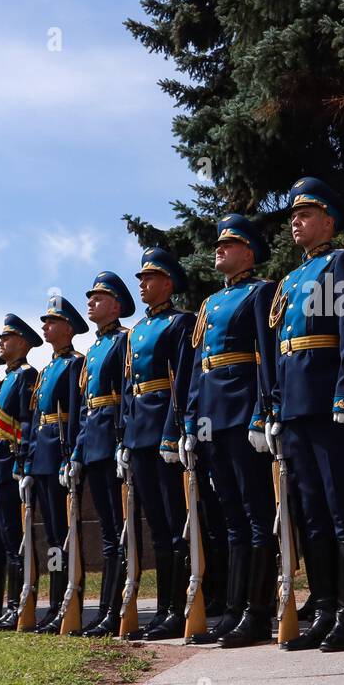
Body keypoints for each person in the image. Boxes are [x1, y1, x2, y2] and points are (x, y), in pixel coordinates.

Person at [266, 179, 344, 652]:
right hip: (296, 406)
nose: (296, 221)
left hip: (330, 403)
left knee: (343, 510)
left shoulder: (342, 262)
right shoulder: (288, 280)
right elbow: (278, 350)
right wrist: (275, 409)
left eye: (306, 214)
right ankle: (324, 608)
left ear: (328, 221)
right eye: (293, 216)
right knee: (313, 515)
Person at [181, 215, 278, 646]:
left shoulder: (261, 293)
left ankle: (258, 612)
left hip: (243, 415)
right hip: (212, 420)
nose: (219, 249)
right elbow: (196, 370)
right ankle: (234, 609)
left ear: (249, 253)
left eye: (230, 243)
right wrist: (189, 421)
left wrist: (262, 413)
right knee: (232, 518)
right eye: (219, 243)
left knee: (258, 517)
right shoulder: (208, 305)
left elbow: (266, 358)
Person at [121, 248, 195, 640]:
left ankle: (180, 605)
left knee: (173, 524)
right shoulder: (135, 331)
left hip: (164, 431)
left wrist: (173, 432)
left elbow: (181, 382)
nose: (143, 285)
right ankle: (163, 606)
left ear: (168, 283)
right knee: (155, 526)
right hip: (138, 435)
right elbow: (128, 389)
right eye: (141, 279)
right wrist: (123, 438)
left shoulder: (181, 324)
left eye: (149, 278)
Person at [67, 273, 134, 638]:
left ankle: (120, 607)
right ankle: (107, 608)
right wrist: (77, 451)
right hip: (93, 441)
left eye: (98, 298)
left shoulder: (125, 341)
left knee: (122, 530)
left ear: (117, 305)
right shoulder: (93, 350)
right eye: (89, 298)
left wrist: (123, 439)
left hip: (113, 436)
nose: (90, 302)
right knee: (108, 531)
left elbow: (128, 392)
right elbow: (82, 409)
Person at [27, 296, 86, 633]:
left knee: (66, 534)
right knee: (52, 537)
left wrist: (72, 456)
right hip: (43, 457)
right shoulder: (47, 369)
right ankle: (55, 604)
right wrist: (28, 463)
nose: (45, 327)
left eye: (51, 322)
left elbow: (77, 413)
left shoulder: (75, 364)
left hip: (62, 454)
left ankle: (71, 600)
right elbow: (36, 417)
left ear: (67, 328)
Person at [0, 314, 41, 630]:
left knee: (18, 540)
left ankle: (22, 603)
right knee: (8, 541)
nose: (1, 344)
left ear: (21, 342)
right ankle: (12, 604)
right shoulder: (6, 380)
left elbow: (25, 424)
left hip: (12, 466)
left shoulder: (26, 376)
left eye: (6, 338)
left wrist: (23, 464)